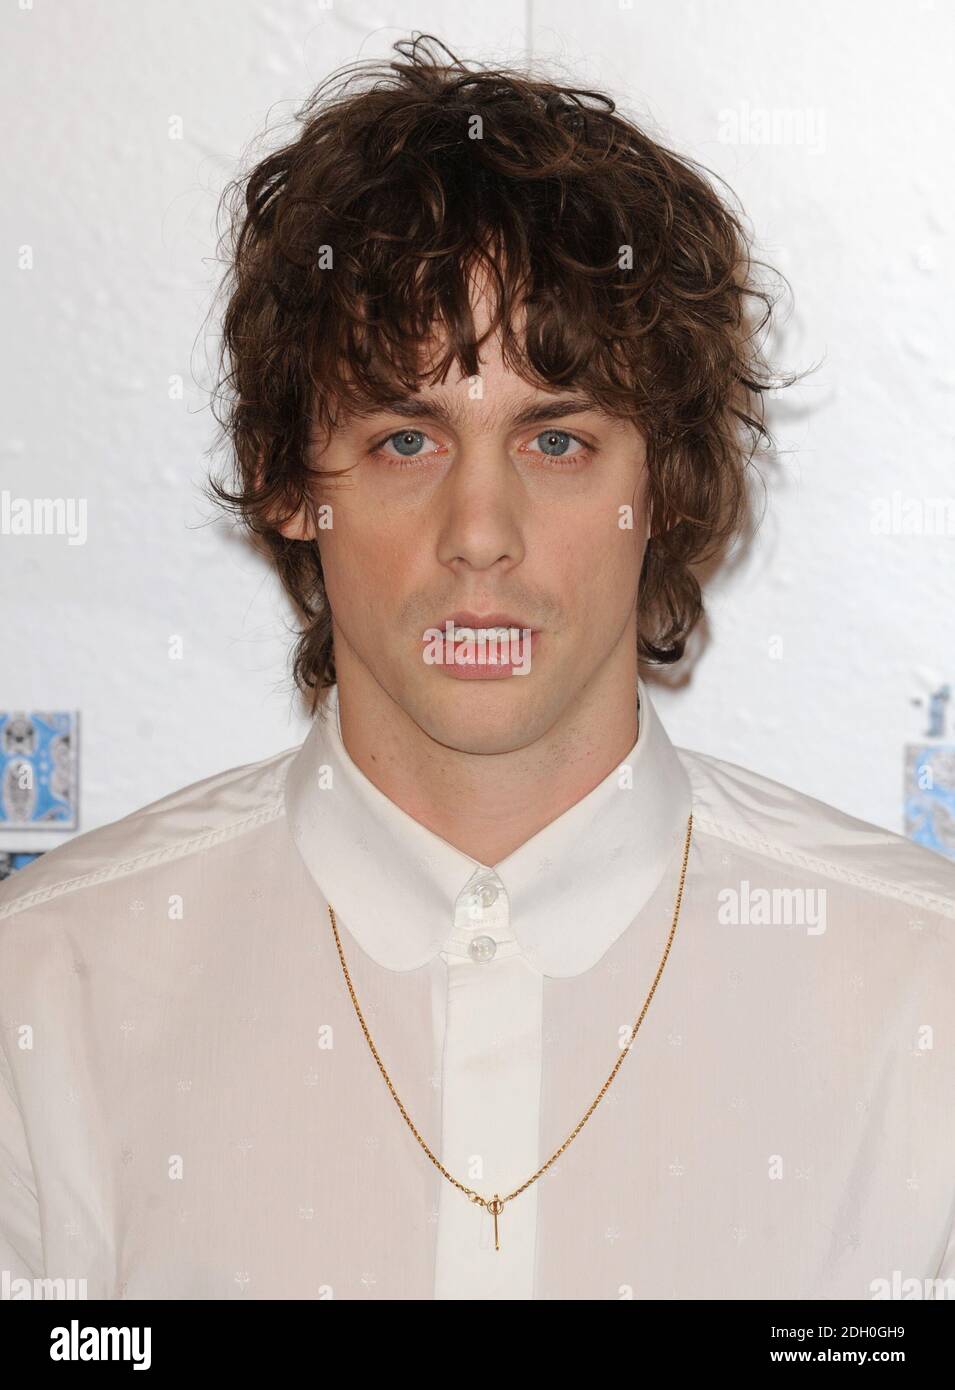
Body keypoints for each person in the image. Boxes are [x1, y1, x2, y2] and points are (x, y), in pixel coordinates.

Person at [1, 34, 952, 1303]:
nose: (479, 533)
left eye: (555, 440)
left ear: (661, 483)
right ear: (292, 480)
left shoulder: (917, 1001)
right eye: (406, 438)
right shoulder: (49, 992)